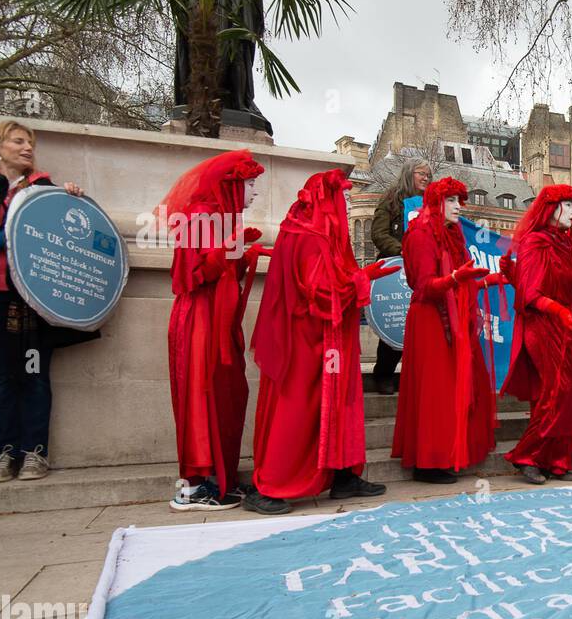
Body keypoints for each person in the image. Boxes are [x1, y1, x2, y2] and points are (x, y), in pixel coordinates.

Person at [244, 169, 399, 514]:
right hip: (311, 343)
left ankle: (343, 474)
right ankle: (273, 484)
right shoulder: (313, 236)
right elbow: (322, 292)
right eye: (341, 198)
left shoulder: (310, 231)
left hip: (327, 341)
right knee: (300, 412)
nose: (344, 206)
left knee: (340, 408)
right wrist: (366, 276)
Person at [0, 120, 93, 484]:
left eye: (30, 142)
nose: (27, 148)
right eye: (18, 141)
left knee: (35, 376)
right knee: (1, 378)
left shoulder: (43, 189)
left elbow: (62, 232)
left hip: (35, 299)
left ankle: (35, 453)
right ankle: (4, 454)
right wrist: (14, 235)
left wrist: (72, 199)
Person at [161, 148, 267, 510]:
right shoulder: (198, 215)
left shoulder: (223, 218)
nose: (254, 192)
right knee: (201, 395)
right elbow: (191, 276)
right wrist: (228, 251)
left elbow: (222, 269)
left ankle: (219, 477)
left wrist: (245, 253)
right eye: (250, 184)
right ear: (232, 184)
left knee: (224, 394)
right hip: (199, 321)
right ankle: (196, 485)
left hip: (217, 319)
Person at [391, 176, 498, 482]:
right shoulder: (421, 235)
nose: (457, 207)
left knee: (452, 387)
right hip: (429, 320)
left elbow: (461, 279)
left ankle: (447, 453)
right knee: (435, 391)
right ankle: (428, 461)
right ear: (436, 203)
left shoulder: (451, 234)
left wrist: (497, 280)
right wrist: (455, 277)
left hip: (452, 318)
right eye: (451, 201)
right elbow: (424, 286)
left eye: (458, 201)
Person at [501, 184, 572, 484]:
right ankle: (526, 456)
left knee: (567, 395)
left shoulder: (566, 244)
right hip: (542, 325)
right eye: (569, 206)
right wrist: (560, 313)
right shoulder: (534, 242)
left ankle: (557, 461)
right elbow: (530, 293)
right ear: (552, 209)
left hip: (566, 326)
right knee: (553, 392)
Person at [368, 159, 432, 394]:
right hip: (394, 270)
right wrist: (403, 251)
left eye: (428, 174)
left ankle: (415, 375)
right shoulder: (391, 200)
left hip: (422, 272)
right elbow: (379, 233)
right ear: (409, 174)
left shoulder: (431, 204)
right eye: (421, 174)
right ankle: (383, 374)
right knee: (394, 324)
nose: (426, 178)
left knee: (422, 326)